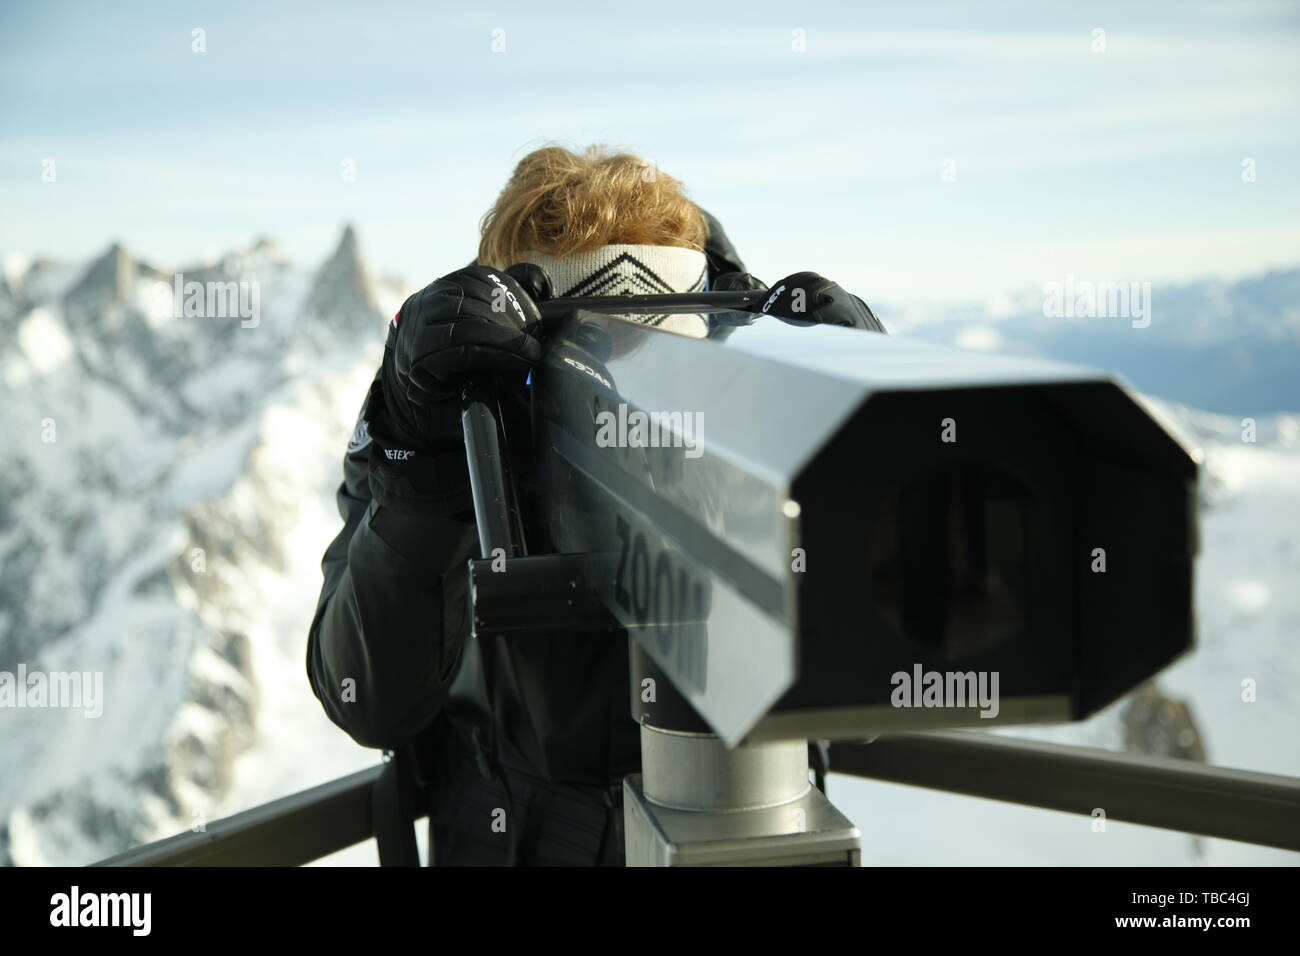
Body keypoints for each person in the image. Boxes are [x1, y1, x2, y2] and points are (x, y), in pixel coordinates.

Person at [306, 145, 883, 866]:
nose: (617, 403)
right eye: (584, 353)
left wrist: (862, 457)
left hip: (749, 830)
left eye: (654, 350)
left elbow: (872, 699)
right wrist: (421, 469)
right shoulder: (442, 419)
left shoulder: (748, 420)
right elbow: (368, 698)